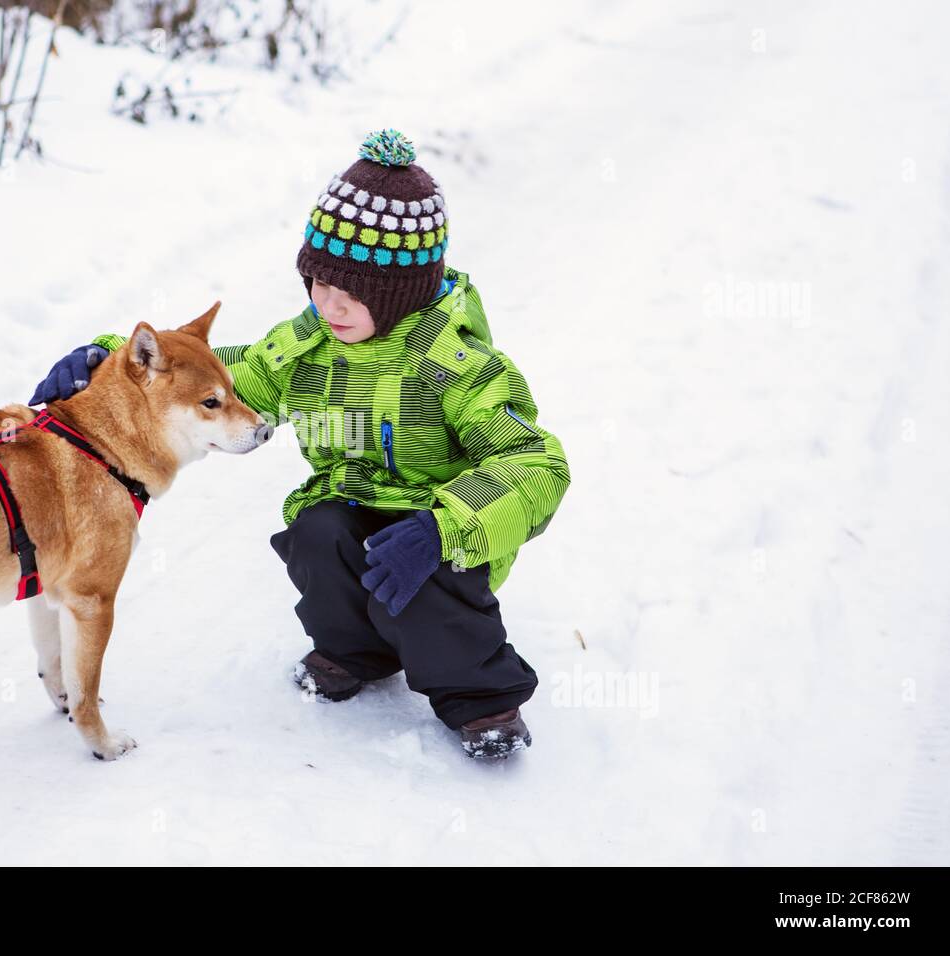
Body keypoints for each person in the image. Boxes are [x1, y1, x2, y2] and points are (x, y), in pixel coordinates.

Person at [30, 129, 570, 758]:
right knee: (319, 531)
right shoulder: (309, 343)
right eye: (318, 284)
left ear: (399, 296)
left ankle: (482, 699)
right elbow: (223, 375)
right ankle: (355, 652)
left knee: (421, 585)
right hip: (351, 505)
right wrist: (113, 359)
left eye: (351, 295)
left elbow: (536, 463)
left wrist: (445, 526)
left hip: (438, 527)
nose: (328, 306)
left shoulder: (453, 365)